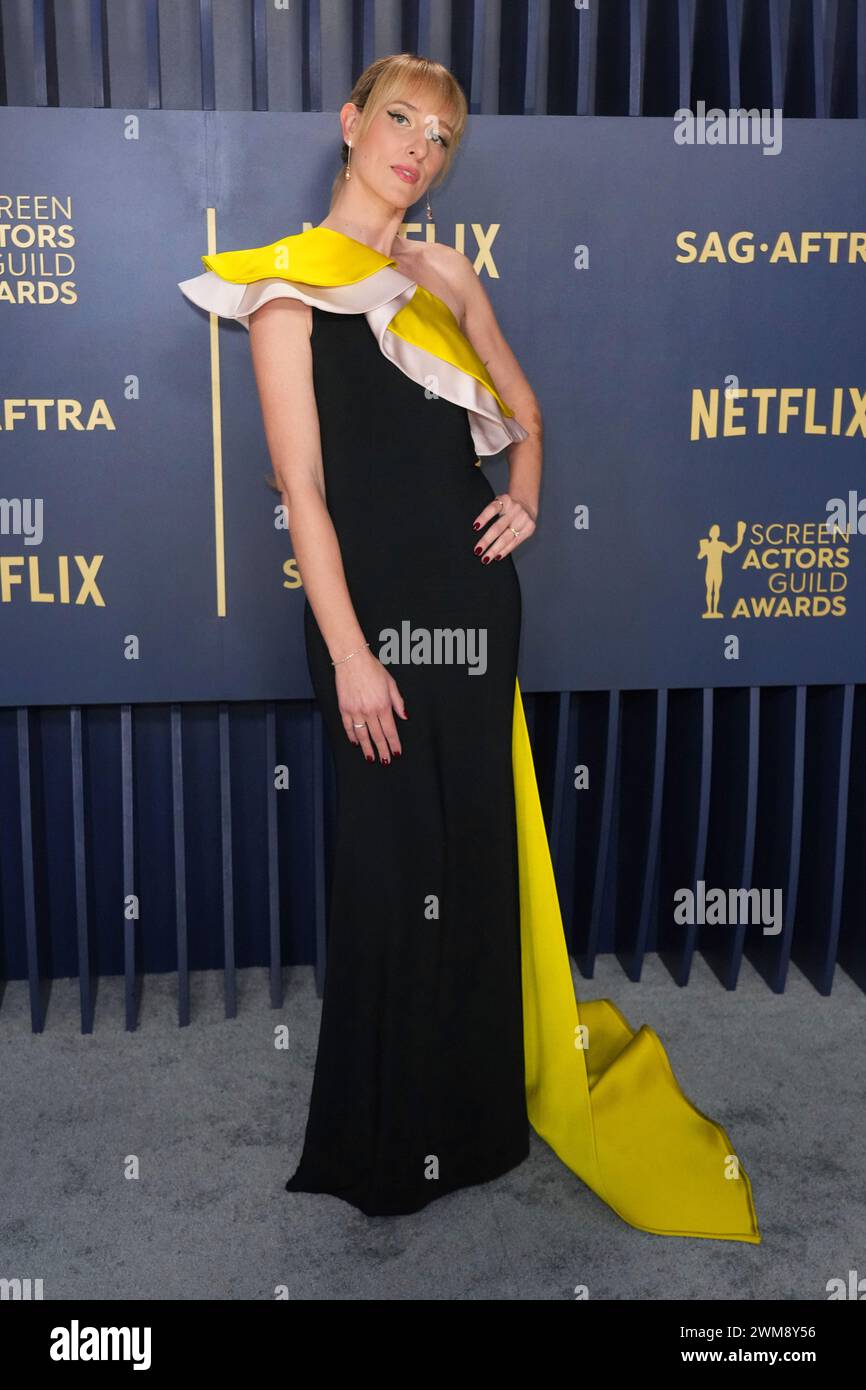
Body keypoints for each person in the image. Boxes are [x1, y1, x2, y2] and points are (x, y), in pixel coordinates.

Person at [178, 53, 760, 1242]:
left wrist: (527, 493)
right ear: (349, 124)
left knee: (473, 853)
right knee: (393, 870)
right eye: (398, 120)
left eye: (439, 136)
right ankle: (388, 1144)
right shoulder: (282, 288)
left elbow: (522, 412)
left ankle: (481, 1121)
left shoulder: (446, 270)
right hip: (371, 619)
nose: (416, 148)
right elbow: (301, 490)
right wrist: (347, 653)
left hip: (475, 606)